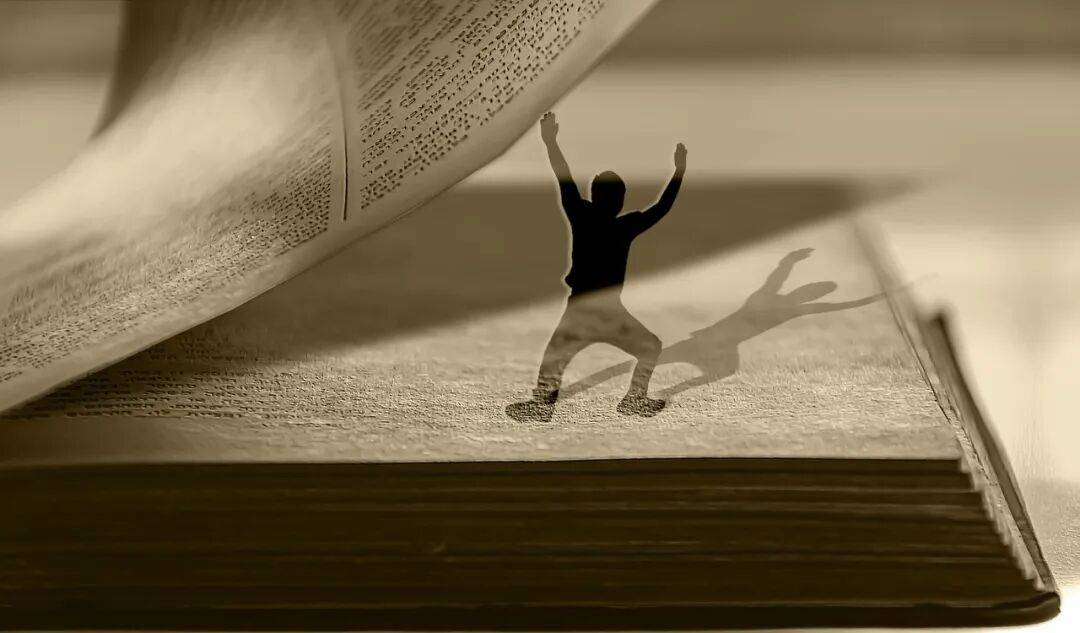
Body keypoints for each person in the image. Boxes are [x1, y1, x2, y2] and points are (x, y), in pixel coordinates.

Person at [506, 112, 687, 423]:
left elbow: (563, 179)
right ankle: (634, 399)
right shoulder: (624, 226)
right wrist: (678, 172)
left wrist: (551, 142)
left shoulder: (582, 215)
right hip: (609, 311)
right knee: (649, 347)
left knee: (555, 357)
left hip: (582, 308)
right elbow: (661, 208)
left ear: (593, 195)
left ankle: (542, 407)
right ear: (620, 200)